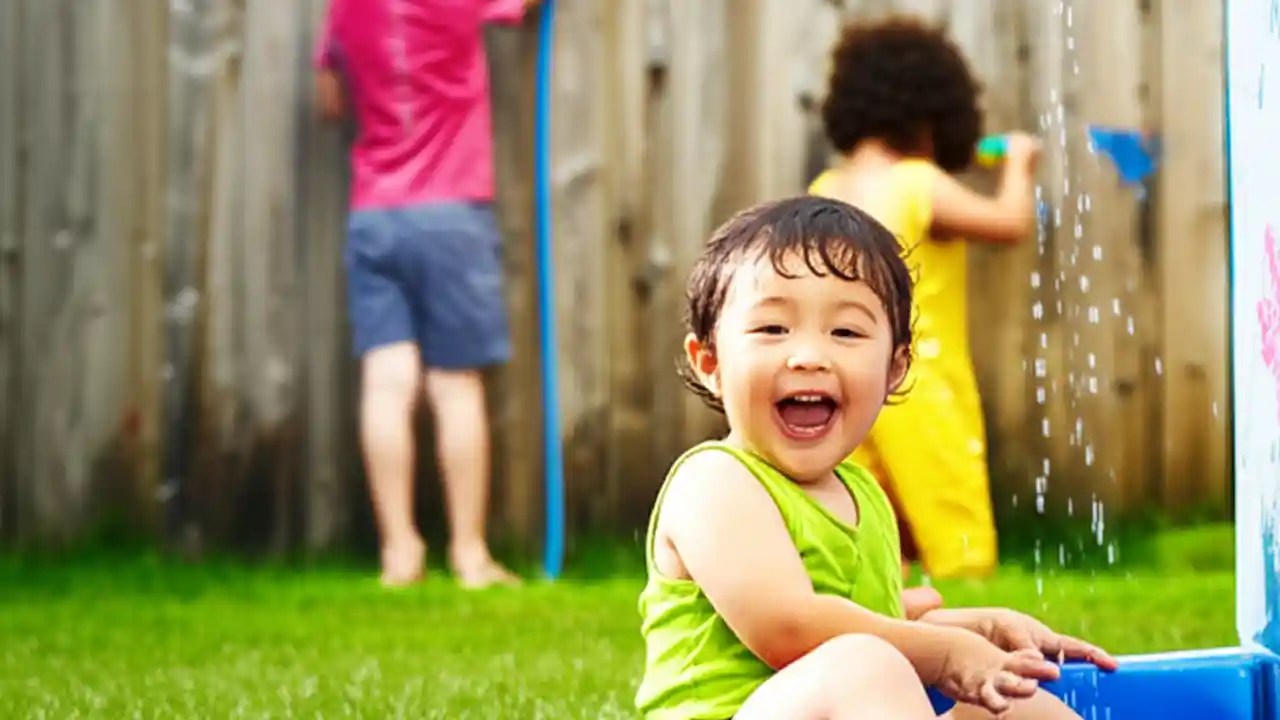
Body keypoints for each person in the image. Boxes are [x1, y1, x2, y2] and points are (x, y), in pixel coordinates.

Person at [635, 196, 1115, 720]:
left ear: (894, 369)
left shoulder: (863, 495)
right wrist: (946, 653)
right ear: (710, 363)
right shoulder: (716, 483)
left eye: (845, 332)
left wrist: (977, 631)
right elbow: (791, 630)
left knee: (1010, 708)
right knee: (864, 665)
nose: (809, 356)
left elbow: (863, 623)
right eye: (772, 329)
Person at [313, 0, 538, 588]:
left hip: (375, 212)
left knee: (387, 381)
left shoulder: (343, 10)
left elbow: (330, 102)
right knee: (454, 383)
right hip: (450, 212)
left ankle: (400, 551)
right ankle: (468, 553)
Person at [809, 16, 1042, 580]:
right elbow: (1009, 224)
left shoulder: (825, 191)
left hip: (846, 379)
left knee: (870, 527)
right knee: (957, 539)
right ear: (933, 109)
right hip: (919, 384)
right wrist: (1018, 165)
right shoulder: (918, 182)